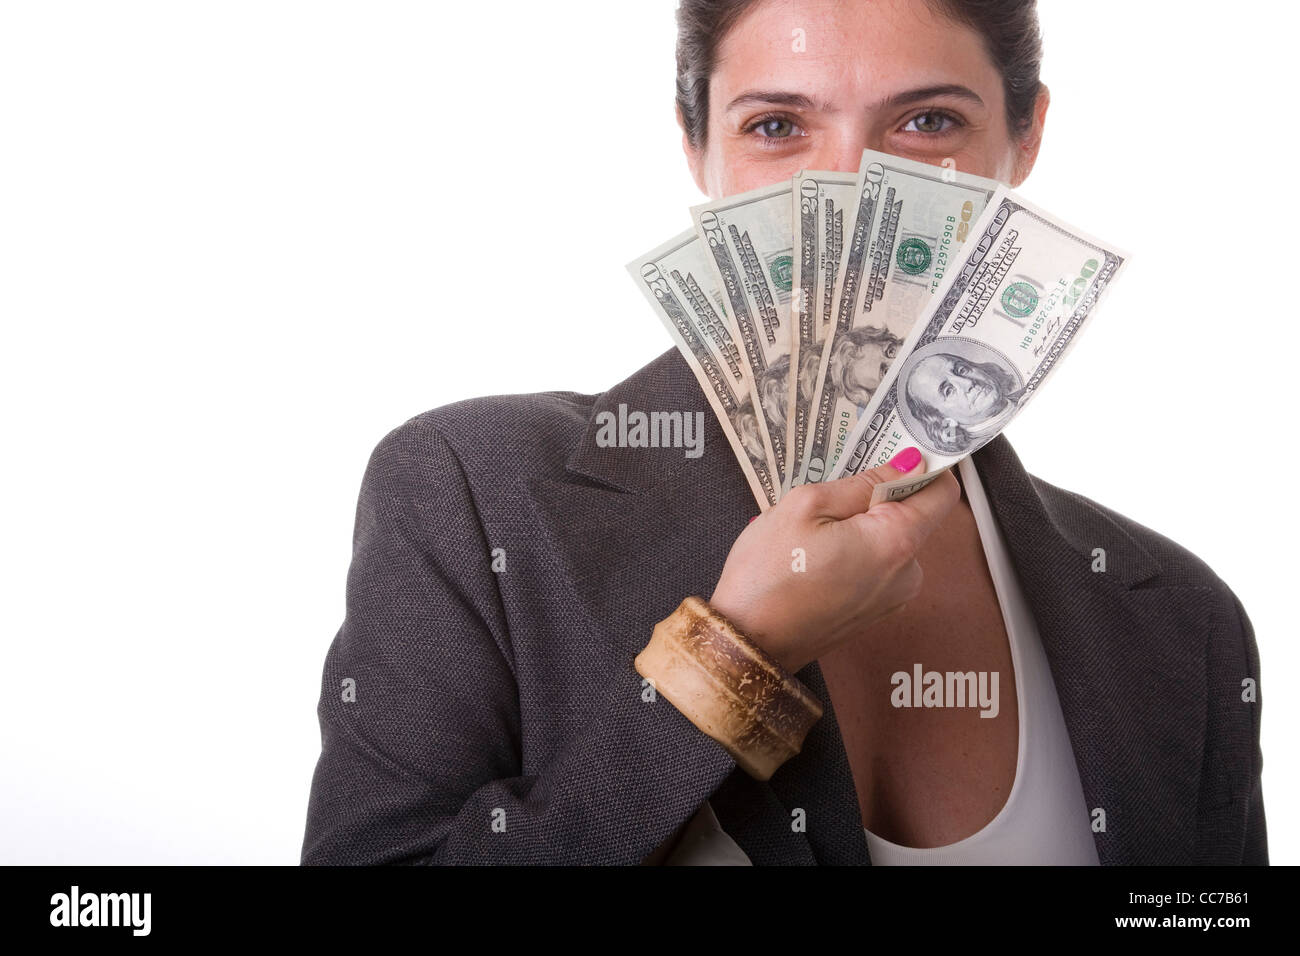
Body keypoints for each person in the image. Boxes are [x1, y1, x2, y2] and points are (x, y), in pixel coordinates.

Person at [301, 0, 1266, 865]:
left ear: (1027, 138)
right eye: (776, 125)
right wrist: (736, 656)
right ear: (697, 152)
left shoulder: (1182, 619)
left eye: (928, 121)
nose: (847, 188)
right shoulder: (473, 497)